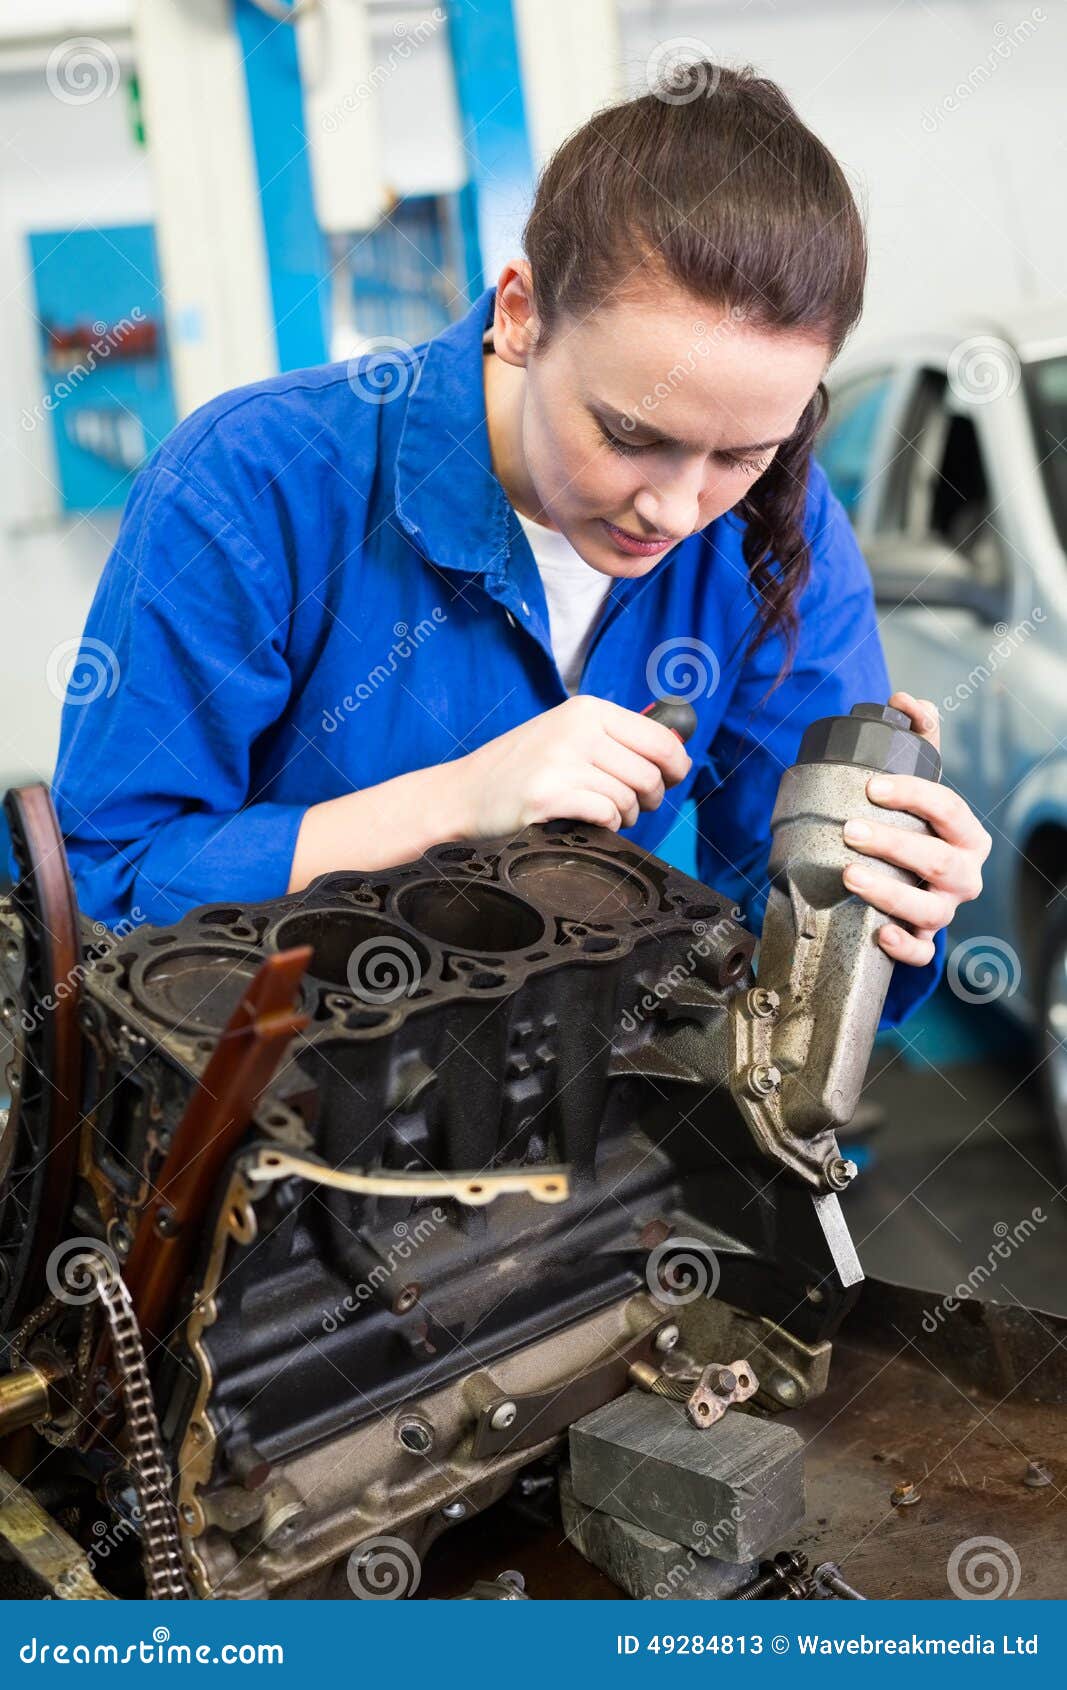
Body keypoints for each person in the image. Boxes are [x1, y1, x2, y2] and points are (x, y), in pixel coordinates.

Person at [50, 62, 990, 1029]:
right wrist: (453, 801)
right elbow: (105, 890)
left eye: (741, 454)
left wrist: (879, 905)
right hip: (263, 1083)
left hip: (566, 1088)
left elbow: (777, 955)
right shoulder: (257, 480)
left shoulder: (776, 527)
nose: (675, 510)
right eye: (629, 434)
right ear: (519, 314)